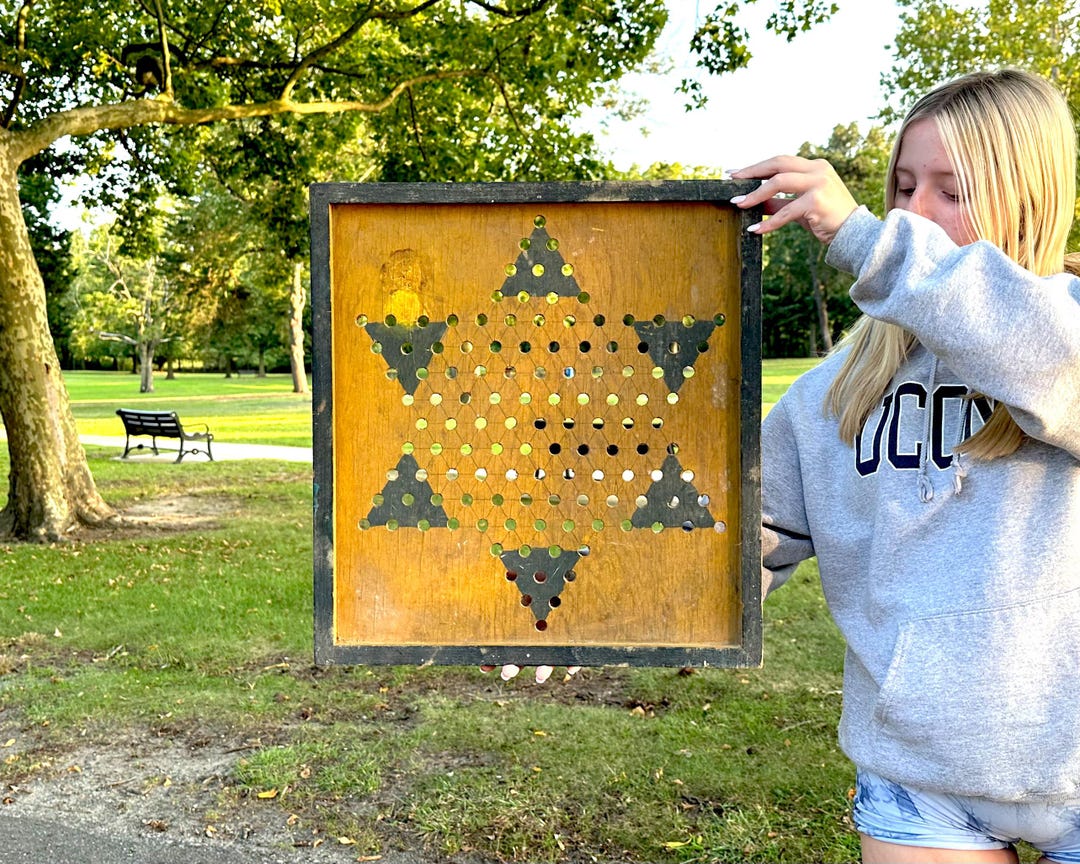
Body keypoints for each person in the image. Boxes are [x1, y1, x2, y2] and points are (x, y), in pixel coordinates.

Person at [728, 68, 1080, 863]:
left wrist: (864, 239)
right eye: (903, 186)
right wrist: (577, 604)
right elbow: (751, 540)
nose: (913, 212)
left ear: (1029, 198)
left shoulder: (1068, 337)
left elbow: (1033, 347)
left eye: (952, 191)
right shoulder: (836, 391)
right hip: (915, 777)